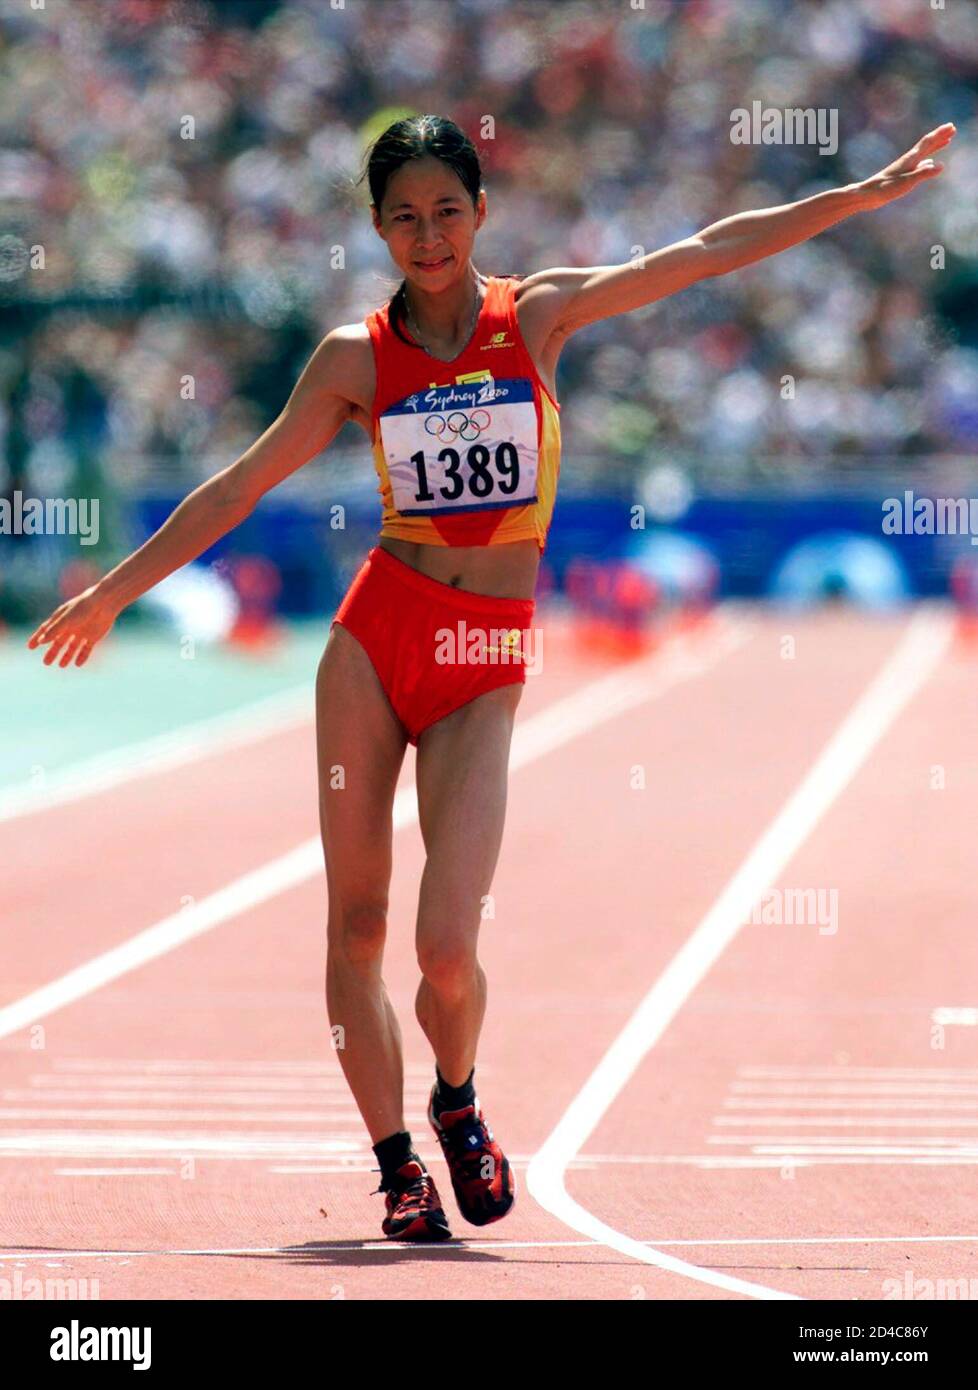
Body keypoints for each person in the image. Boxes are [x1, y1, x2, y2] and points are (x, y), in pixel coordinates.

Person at [27, 113, 955, 1241]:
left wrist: (855, 195)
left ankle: (457, 1099)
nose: (428, 235)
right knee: (356, 926)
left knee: (446, 949)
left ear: (481, 213)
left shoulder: (543, 313)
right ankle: (396, 1164)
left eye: (448, 212)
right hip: (377, 637)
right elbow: (236, 486)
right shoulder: (353, 359)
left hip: (483, 654)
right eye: (405, 218)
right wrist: (112, 591)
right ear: (376, 227)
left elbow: (707, 249)